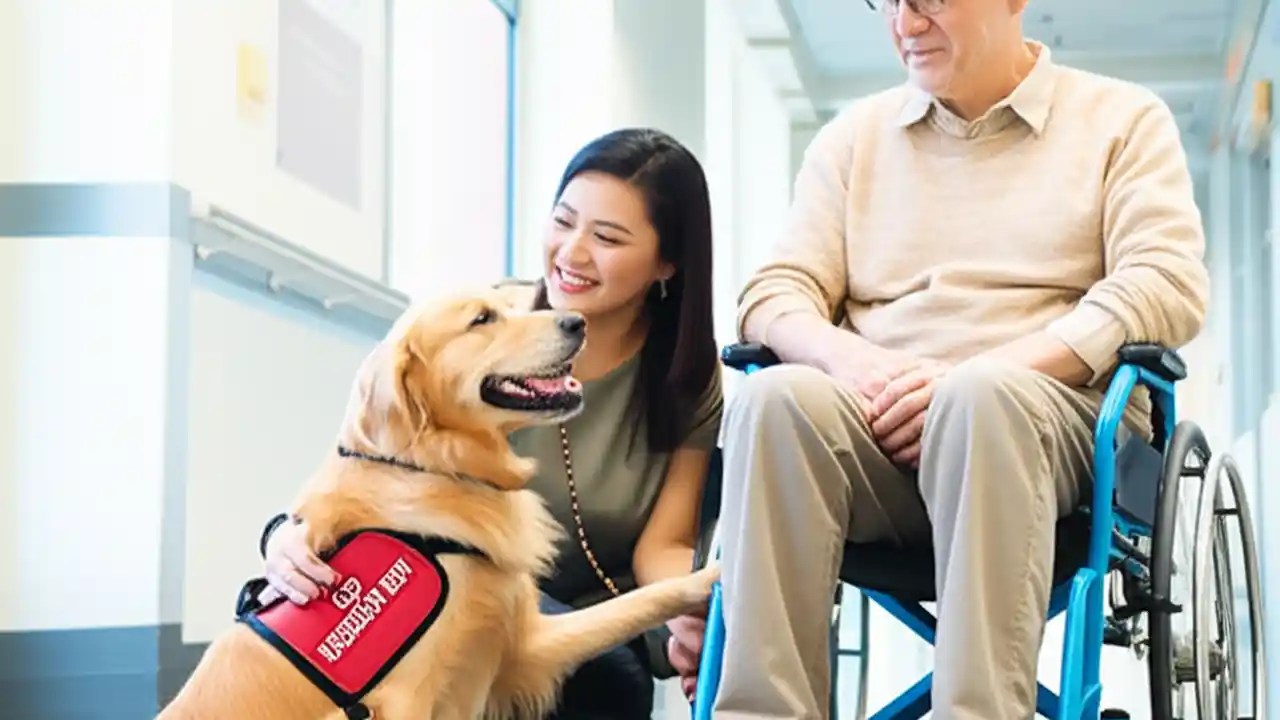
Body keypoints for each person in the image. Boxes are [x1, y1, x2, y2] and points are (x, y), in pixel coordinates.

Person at [679, 0, 1210, 718]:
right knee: (775, 401)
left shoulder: (1121, 122)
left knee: (983, 397)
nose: (905, 22)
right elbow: (774, 293)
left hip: (1049, 435)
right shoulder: (852, 142)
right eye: (889, 1)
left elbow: (1165, 284)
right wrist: (853, 364)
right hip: (880, 430)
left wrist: (977, 377)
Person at [255, 127, 723, 718]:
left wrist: (691, 608)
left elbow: (665, 543)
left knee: (609, 677)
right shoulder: (475, 327)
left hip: (583, 616)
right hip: (453, 592)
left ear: (668, 263)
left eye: (606, 237)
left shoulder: (685, 375)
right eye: (563, 220)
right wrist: (282, 536)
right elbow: (358, 466)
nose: (572, 252)